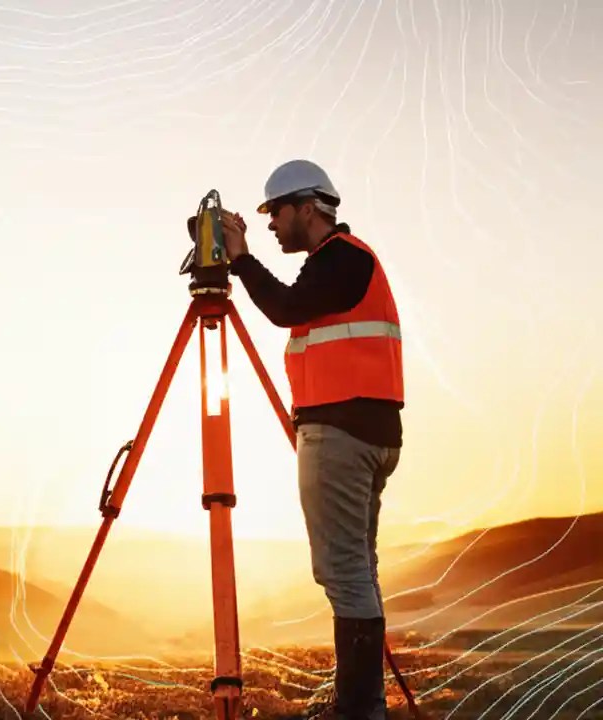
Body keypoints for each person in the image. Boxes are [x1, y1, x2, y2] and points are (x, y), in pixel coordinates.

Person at [217, 159, 405, 720]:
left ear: (306, 207)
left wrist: (241, 259)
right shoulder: (338, 265)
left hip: (342, 436)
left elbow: (284, 309)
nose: (272, 224)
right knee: (357, 571)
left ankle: (359, 710)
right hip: (365, 433)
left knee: (343, 573)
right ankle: (362, 703)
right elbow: (297, 309)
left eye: (276, 211)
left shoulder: (342, 259)